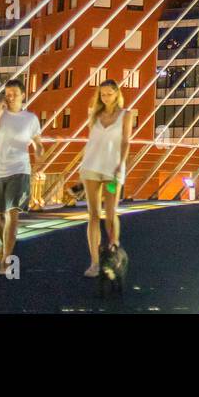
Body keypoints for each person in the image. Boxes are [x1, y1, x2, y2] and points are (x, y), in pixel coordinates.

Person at [0, 81, 43, 275]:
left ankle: (7, 261)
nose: (10, 97)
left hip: (19, 170)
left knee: (12, 216)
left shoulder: (31, 119)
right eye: (7, 93)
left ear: (23, 95)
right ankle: (3, 243)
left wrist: (39, 153)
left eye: (14, 93)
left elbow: (37, 143)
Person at [80, 78, 132, 278]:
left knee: (110, 214)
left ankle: (112, 251)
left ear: (117, 94)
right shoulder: (94, 114)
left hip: (112, 171)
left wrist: (121, 164)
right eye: (102, 94)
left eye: (110, 93)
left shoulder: (125, 115)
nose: (106, 97)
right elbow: (92, 141)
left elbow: (126, 141)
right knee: (93, 215)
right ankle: (94, 263)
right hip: (91, 169)